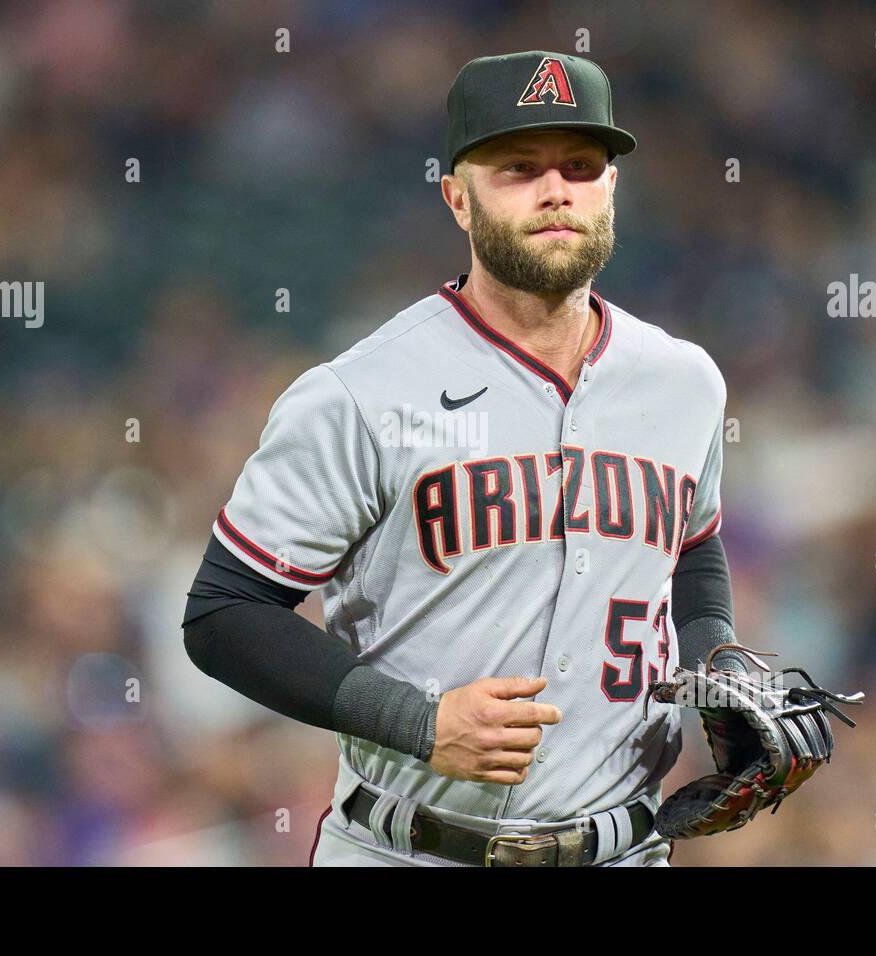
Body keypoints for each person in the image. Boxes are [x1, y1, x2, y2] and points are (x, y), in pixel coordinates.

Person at [183, 51, 736, 866]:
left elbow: (690, 546)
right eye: (519, 168)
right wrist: (417, 722)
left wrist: (716, 663)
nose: (556, 191)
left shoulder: (684, 382)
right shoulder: (362, 393)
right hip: (409, 849)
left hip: (627, 849)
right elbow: (225, 613)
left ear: (610, 189)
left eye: (581, 167)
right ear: (457, 199)